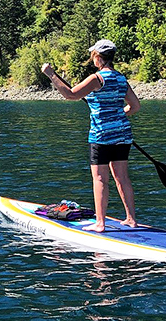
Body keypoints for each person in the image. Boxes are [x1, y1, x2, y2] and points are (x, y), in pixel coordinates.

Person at [41, 39, 141, 233]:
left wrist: (51, 74)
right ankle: (131, 219)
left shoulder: (96, 79)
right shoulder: (121, 79)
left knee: (100, 179)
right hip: (122, 134)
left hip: (101, 136)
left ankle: (100, 224)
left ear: (97, 57)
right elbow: (135, 106)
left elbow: (70, 94)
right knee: (122, 177)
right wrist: (118, 115)